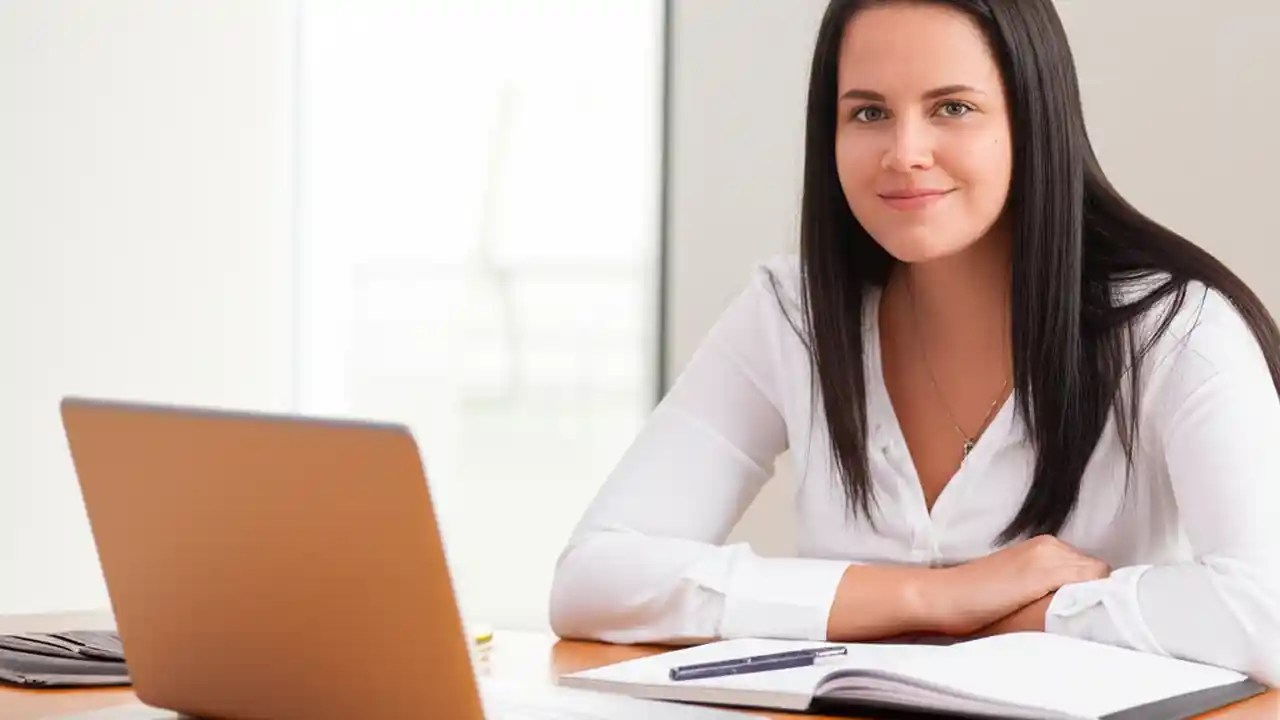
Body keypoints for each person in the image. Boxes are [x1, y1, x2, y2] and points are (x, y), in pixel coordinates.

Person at [549, 0, 1280, 685]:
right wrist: (937, 600)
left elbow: (1266, 613)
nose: (904, 152)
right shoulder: (790, 312)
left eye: (952, 108)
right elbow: (594, 579)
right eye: (868, 112)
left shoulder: (1177, 330)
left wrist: (1032, 616)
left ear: (1031, 120)